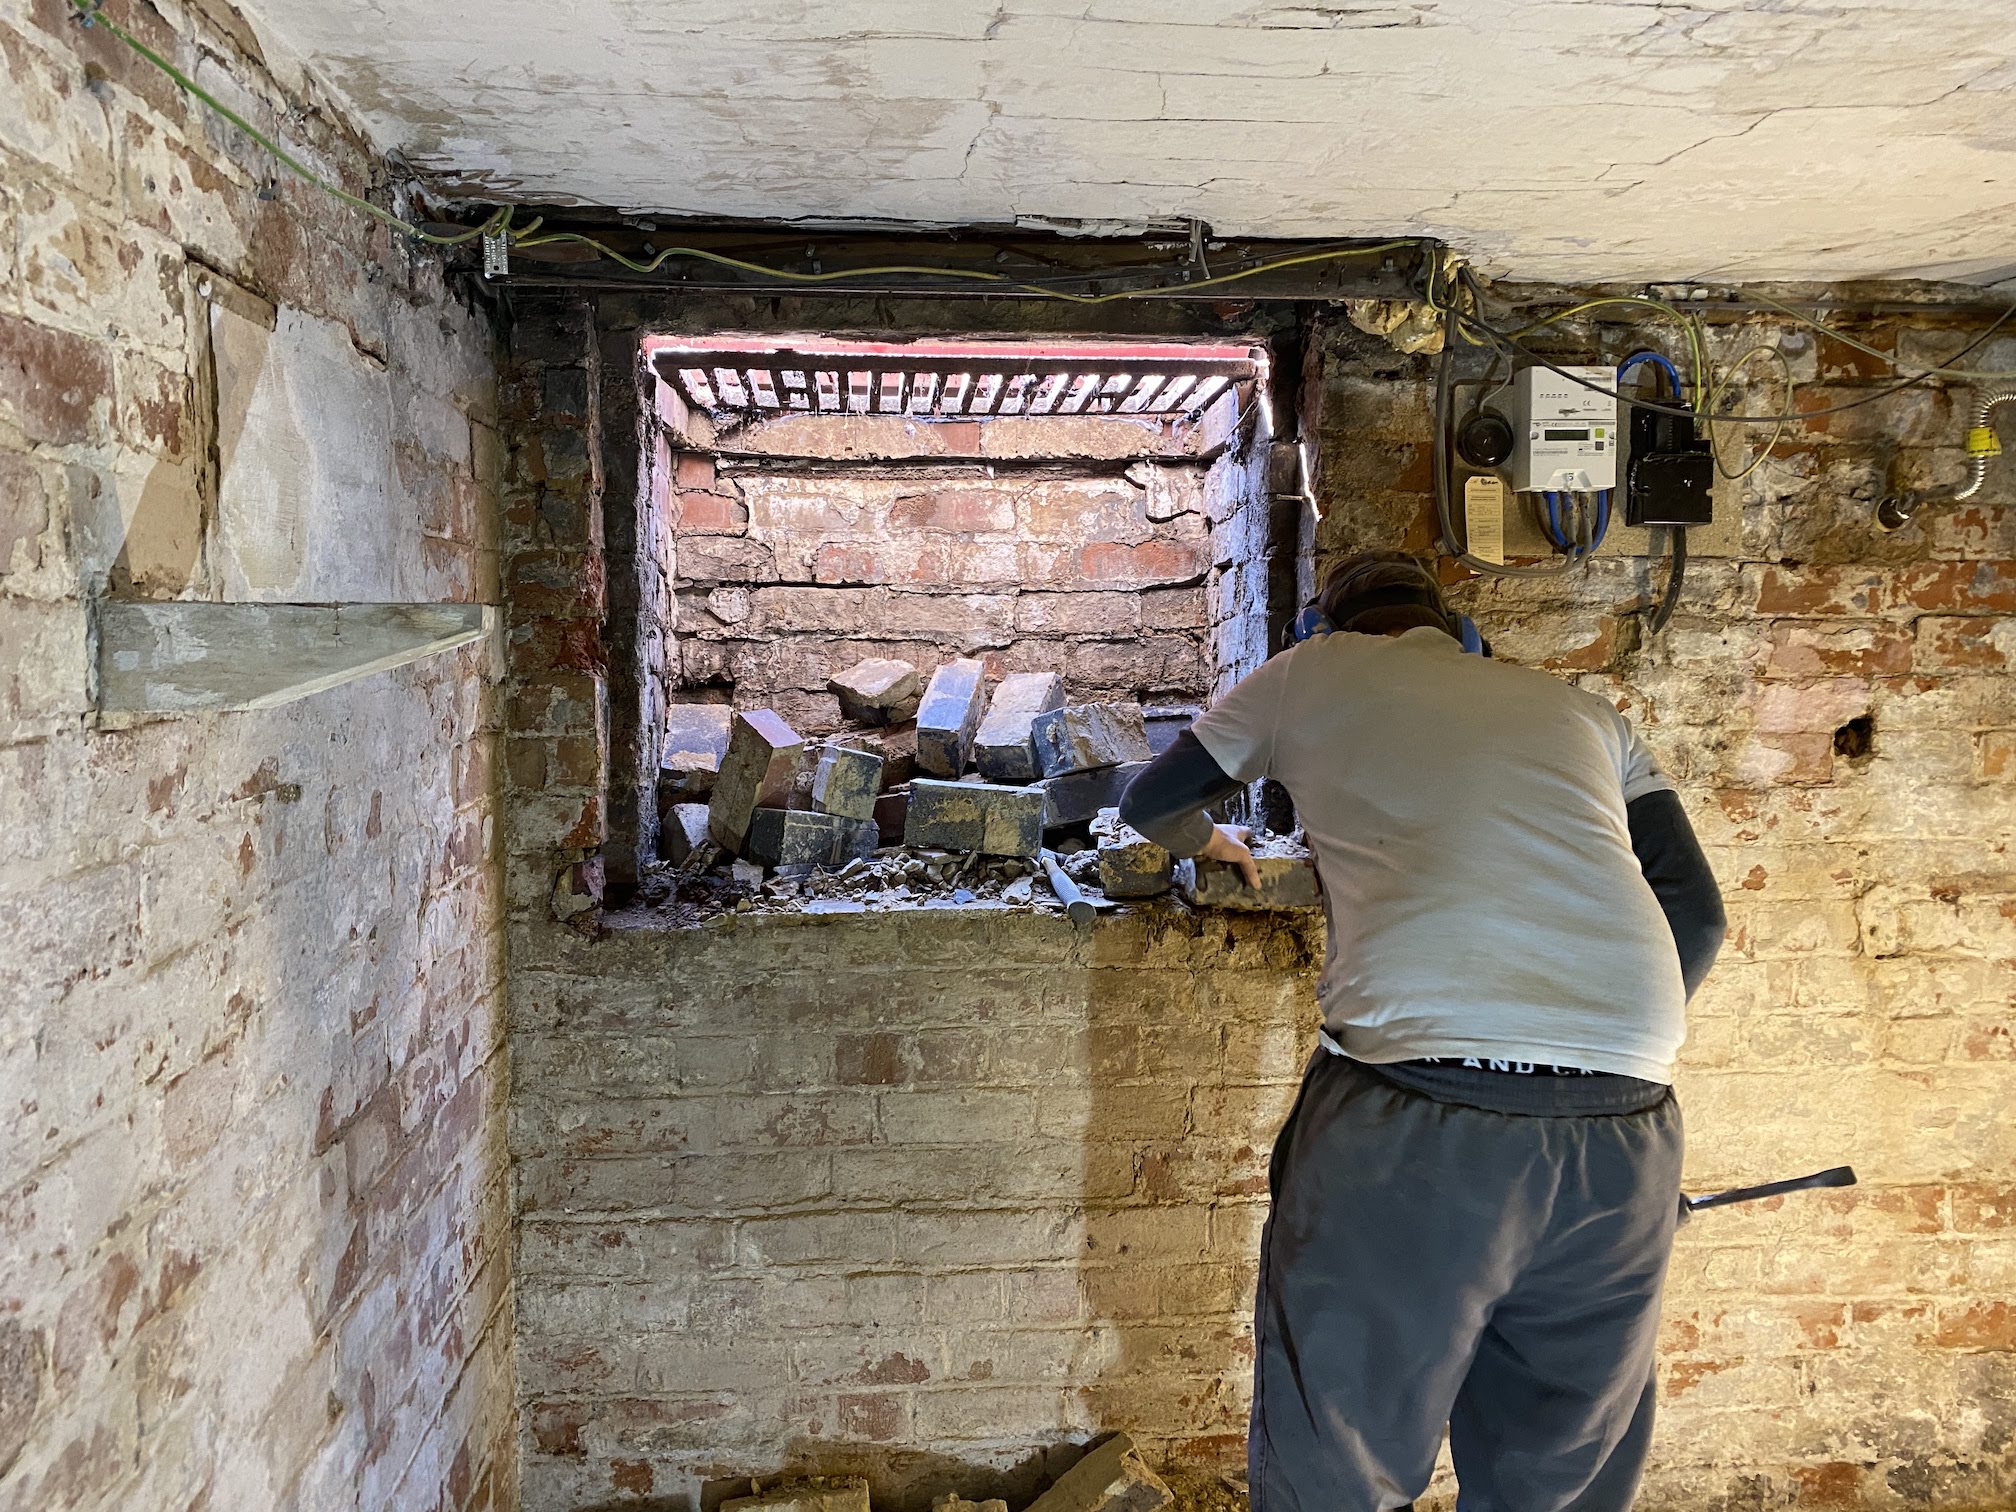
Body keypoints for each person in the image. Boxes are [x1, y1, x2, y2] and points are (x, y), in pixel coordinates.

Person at [1118, 550, 1726, 1512]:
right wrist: (1588, 1055)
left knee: (1342, 1448)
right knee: (1560, 1469)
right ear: (1463, 636)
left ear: (1324, 632)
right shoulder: (1585, 713)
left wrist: (1217, 842)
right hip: (1627, 1131)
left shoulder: (1307, 673)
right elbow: (1698, 915)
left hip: (1416, 1119)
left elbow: (1150, 803)